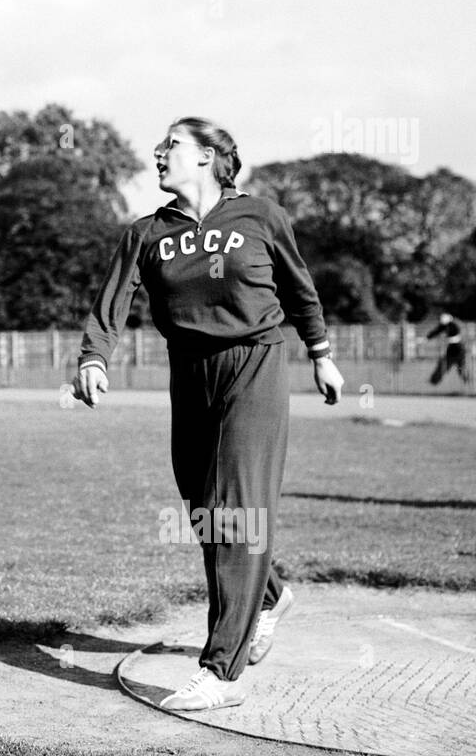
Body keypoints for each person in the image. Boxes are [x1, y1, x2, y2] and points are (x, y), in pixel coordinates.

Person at [73, 117, 343, 711]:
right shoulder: (147, 233)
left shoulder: (262, 217)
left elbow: (300, 292)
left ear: (208, 157)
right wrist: (94, 358)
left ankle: (221, 671)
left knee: (237, 510)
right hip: (188, 373)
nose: (158, 153)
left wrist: (321, 356)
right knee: (204, 507)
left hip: (256, 364)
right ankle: (269, 595)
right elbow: (112, 300)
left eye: (171, 145)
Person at [425, 313, 468, 388]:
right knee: (442, 365)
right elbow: (437, 331)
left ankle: (467, 382)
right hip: (451, 349)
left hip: (459, 349)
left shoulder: (455, 325)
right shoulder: (445, 326)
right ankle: (433, 381)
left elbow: (458, 336)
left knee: (461, 368)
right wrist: (427, 338)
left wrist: (446, 339)